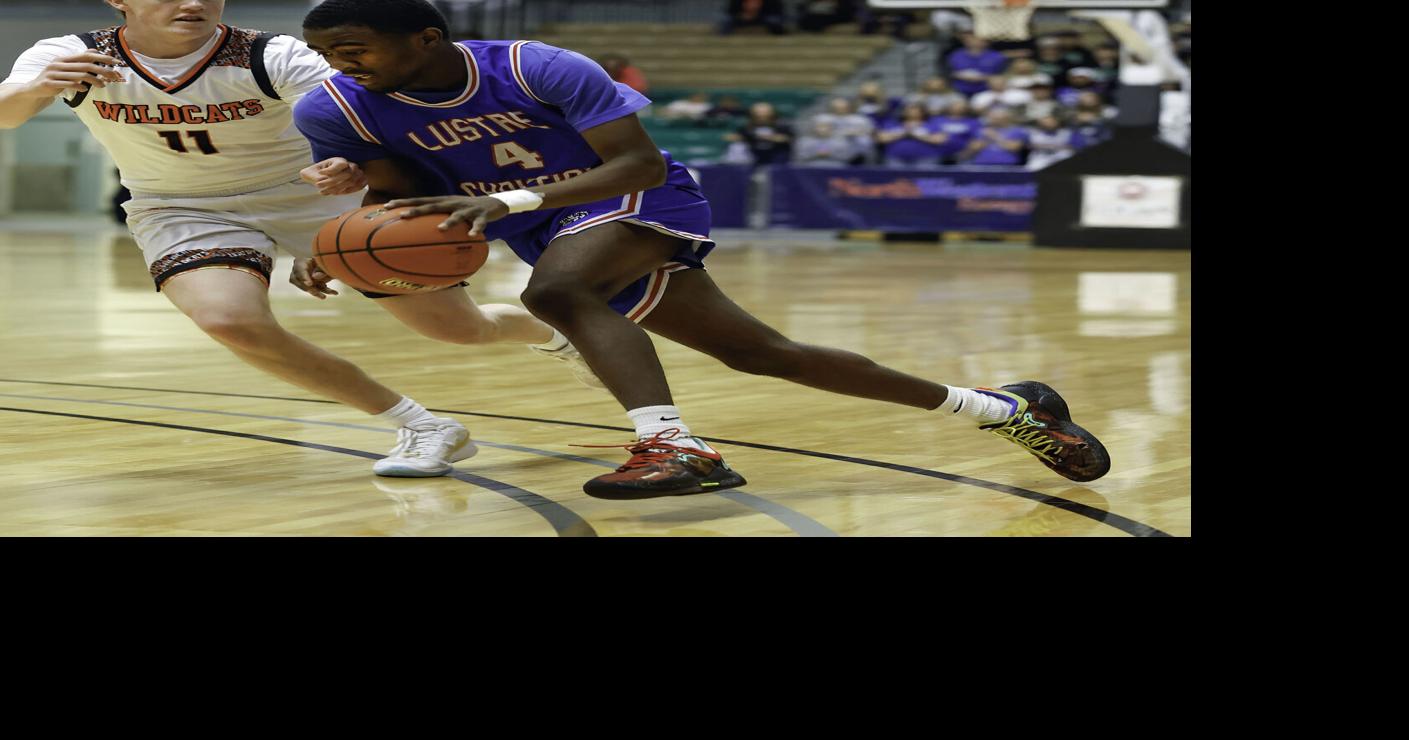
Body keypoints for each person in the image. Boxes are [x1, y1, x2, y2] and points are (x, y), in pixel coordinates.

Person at [294, 0, 1111, 498]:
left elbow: (638, 160)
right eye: (329, 54)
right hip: (544, 224)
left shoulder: (532, 65)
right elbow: (396, 196)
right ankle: (1006, 409)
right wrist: (333, 244)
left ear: (427, 38)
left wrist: (506, 200)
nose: (340, 65)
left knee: (554, 294)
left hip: (635, 197)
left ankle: (676, 448)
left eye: (355, 47)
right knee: (763, 354)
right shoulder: (336, 109)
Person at [0, 0, 598, 479]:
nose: (194, 3)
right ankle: (422, 425)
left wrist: (353, 162)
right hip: (180, 205)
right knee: (228, 319)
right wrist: (33, 89)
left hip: (316, 197)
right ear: (120, 2)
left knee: (455, 327)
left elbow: (362, 112)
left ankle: (549, 335)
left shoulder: (270, 55)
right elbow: (6, 114)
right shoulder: (69, 55)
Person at [875, 103, 946, 167]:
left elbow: (940, 140)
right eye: (909, 109)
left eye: (915, 109)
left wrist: (916, 135)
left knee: (924, 180)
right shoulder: (892, 124)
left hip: (926, 158)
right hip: (895, 158)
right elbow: (881, 139)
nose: (912, 112)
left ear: (922, 112)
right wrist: (903, 134)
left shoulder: (931, 124)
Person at [724, 101, 793, 165]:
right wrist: (750, 137)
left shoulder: (781, 125)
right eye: (758, 112)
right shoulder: (747, 126)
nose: (761, 115)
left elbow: (786, 138)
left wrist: (767, 137)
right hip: (753, 152)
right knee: (737, 147)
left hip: (776, 152)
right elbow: (732, 137)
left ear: (772, 113)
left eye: (765, 112)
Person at [959, 108, 1029, 166]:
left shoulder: (1017, 130)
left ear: (1007, 118)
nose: (994, 120)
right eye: (992, 117)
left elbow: (1014, 147)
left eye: (997, 118)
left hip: (1007, 166)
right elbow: (973, 148)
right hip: (981, 165)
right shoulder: (983, 131)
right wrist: (982, 142)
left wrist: (995, 137)